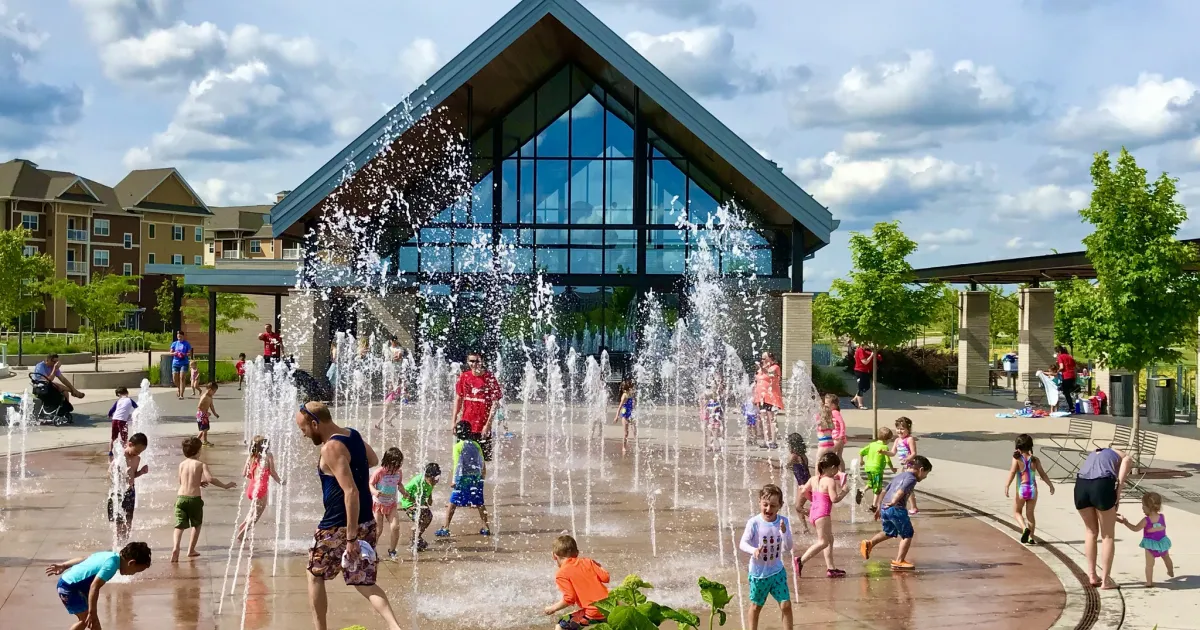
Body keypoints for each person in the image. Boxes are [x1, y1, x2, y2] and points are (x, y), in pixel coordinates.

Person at [294, 401, 403, 630]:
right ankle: (395, 627)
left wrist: (351, 538)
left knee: (314, 574)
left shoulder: (330, 448)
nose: (303, 435)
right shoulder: (352, 434)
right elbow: (372, 460)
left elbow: (350, 491)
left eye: (304, 429)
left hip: (337, 526)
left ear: (315, 423)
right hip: (367, 521)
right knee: (363, 582)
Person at [46, 541, 152, 630]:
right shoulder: (111, 566)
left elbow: (84, 559)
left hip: (68, 583)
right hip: (70, 588)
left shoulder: (110, 555)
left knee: (88, 621)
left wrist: (64, 565)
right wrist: (92, 612)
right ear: (131, 563)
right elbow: (94, 586)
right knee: (89, 620)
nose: (133, 574)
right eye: (137, 571)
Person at [860, 455, 933, 570]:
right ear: (921, 469)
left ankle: (869, 543)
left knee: (889, 532)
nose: (924, 477)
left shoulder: (899, 476)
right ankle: (899, 561)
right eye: (926, 474)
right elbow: (901, 490)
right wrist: (894, 501)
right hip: (896, 508)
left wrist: (879, 506)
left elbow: (884, 490)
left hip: (885, 508)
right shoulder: (911, 478)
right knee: (908, 534)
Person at [1074, 447, 1132, 590]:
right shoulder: (1123, 456)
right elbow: (1127, 462)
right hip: (1102, 485)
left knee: (1090, 532)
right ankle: (1106, 581)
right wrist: (1118, 494)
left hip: (1081, 486)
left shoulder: (1094, 453)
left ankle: (1092, 575)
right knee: (1107, 535)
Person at [173, 436, 236, 562]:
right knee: (196, 525)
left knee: (179, 525)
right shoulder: (201, 464)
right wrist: (225, 486)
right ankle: (191, 550)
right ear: (198, 451)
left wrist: (197, 482)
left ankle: (176, 547)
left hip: (180, 498)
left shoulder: (181, 464)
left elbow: (181, 481)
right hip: (194, 499)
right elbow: (210, 479)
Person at [739, 484, 793, 630]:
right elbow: (742, 543)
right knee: (756, 606)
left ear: (780, 506)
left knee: (786, 605)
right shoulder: (754, 523)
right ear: (759, 502)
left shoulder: (784, 522)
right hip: (759, 574)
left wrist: (784, 532)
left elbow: (788, 547)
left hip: (777, 571)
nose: (768, 509)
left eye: (773, 505)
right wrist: (753, 550)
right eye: (765, 505)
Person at [795, 452, 850, 577]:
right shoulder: (829, 481)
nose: (837, 471)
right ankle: (800, 560)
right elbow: (834, 499)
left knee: (830, 539)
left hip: (814, 512)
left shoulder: (814, 479)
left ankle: (831, 568)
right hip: (822, 514)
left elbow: (803, 491)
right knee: (823, 542)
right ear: (832, 468)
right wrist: (844, 492)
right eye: (837, 468)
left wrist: (814, 500)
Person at [435, 421, 492, 537]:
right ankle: (486, 527)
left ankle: (445, 528)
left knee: (452, 503)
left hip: (463, 479)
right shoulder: (476, 445)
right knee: (479, 503)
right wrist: (482, 477)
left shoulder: (457, 447)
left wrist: (455, 481)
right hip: (476, 477)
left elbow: (458, 465)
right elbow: (482, 461)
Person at [544, 534, 611, 630]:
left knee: (560, 625)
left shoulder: (561, 574)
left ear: (554, 555)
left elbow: (569, 599)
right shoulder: (588, 561)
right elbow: (606, 578)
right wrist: (598, 566)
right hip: (610, 606)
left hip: (594, 612)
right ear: (577, 553)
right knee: (572, 616)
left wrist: (552, 608)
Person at [1004, 434, 1055, 545]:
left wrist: (1007, 485)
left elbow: (1012, 472)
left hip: (1021, 489)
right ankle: (1031, 537)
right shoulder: (1035, 460)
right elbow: (1043, 474)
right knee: (1030, 514)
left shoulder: (1016, 459)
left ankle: (1024, 528)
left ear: (1018, 446)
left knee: (1017, 512)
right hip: (1033, 490)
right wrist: (1050, 485)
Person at [452, 351, 502, 461]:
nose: (474, 364)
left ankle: (481, 479)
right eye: (472, 361)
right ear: (467, 362)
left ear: (482, 362)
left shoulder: (489, 378)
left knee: (482, 461)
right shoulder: (465, 377)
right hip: (466, 427)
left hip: (482, 426)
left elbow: (495, 403)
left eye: (477, 361)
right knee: (461, 459)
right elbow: (458, 399)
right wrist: (454, 421)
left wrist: (488, 425)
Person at [1116, 492, 1173, 587]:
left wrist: (1125, 522)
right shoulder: (1162, 517)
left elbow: (1135, 529)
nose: (1142, 508)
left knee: (1149, 565)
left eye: (1143, 506)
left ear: (1148, 507)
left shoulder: (1146, 520)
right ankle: (1170, 570)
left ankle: (1149, 582)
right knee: (1166, 558)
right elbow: (1161, 527)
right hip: (1162, 543)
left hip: (1150, 545)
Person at [236, 435, 285, 543]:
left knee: (253, 510)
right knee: (257, 515)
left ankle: (243, 525)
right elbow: (272, 472)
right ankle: (242, 534)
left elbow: (245, 474)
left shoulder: (251, 456)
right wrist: (281, 482)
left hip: (251, 488)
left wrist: (254, 475)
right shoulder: (268, 456)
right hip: (261, 488)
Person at [370, 447, 415, 560]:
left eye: (398, 466)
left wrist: (404, 493)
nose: (395, 468)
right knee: (378, 529)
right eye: (393, 465)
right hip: (378, 504)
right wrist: (375, 491)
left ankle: (392, 550)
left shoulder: (398, 473)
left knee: (395, 527)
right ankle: (371, 549)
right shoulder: (379, 472)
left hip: (391, 504)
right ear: (387, 462)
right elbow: (370, 484)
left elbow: (399, 484)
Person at [108, 432, 149, 543]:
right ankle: (117, 542)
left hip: (130, 492)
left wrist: (141, 472)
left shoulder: (137, 459)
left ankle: (125, 542)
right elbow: (110, 474)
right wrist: (122, 473)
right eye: (136, 451)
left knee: (129, 520)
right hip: (118, 492)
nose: (137, 454)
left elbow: (133, 476)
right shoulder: (120, 458)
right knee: (118, 521)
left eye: (140, 452)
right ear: (130, 444)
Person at [398, 462, 440, 552]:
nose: (437, 481)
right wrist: (413, 501)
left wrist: (430, 498)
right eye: (435, 478)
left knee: (429, 517)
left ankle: (417, 537)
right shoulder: (417, 481)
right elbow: (404, 490)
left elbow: (430, 488)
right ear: (428, 476)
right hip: (409, 504)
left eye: (438, 478)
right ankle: (414, 539)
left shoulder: (431, 482)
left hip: (420, 503)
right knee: (420, 518)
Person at [857, 427, 896, 510]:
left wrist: (861, 461)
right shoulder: (884, 447)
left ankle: (862, 490)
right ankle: (874, 506)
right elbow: (888, 459)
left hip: (868, 468)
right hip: (877, 469)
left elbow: (861, 452)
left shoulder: (872, 444)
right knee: (878, 488)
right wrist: (892, 468)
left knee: (871, 483)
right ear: (887, 439)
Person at [752, 352, 783, 450]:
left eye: (764, 358)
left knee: (771, 418)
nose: (762, 360)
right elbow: (757, 380)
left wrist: (762, 368)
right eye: (762, 358)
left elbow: (771, 374)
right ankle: (766, 440)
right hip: (761, 397)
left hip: (771, 396)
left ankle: (773, 441)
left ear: (770, 358)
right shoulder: (762, 369)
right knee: (764, 420)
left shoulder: (775, 367)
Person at [893, 417, 919, 514]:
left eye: (902, 429)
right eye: (898, 428)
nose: (900, 431)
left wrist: (908, 459)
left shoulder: (910, 439)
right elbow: (892, 453)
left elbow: (914, 453)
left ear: (909, 429)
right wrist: (883, 452)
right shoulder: (897, 440)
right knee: (902, 486)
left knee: (907, 487)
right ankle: (902, 504)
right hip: (903, 466)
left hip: (910, 466)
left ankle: (913, 507)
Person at [107, 386, 138, 455]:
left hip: (115, 420)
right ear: (127, 392)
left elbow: (111, 410)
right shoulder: (130, 400)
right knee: (124, 438)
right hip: (122, 421)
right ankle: (125, 452)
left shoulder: (118, 401)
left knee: (113, 437)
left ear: (119, 394)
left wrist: (109, 415)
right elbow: (137, 407)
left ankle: (110, 452)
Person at [851, 344, 878, 410]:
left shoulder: (862, 351)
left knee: (866, 386)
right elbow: (865, 362)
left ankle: (854, 399)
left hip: (864, 371)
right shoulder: (860, 351)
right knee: (861, 388)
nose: (869, 345)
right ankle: (860, 405)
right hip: (860, 371)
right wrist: (871, 355)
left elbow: (857, 356)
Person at [612, 377, 636, 451]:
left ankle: (637, 446)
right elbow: (620, 407)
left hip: (631, 414)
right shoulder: (625, 395)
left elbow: (633, 405)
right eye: (632, 386)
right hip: (625, 415)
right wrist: (616, 416)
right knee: (626, 433)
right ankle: (624, 447)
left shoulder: (632, 394)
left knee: (635, 430)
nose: (633, 387)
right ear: (629, 387)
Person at [169, 331, 193, 400]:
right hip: (175, 362)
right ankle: (179, 388)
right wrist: (175, 353)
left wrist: (184, 354)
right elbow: (170, 352)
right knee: (174, 378)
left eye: (180, 336)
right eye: (178, 336)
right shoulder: (174, 343)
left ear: (183, 336)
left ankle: (181, 395)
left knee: (182, 378)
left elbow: (189, 353)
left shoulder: (186, 344)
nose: (179, 337)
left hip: (184, 362)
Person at [825, 394, 847, 468]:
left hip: (837, 437)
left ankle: (833, 471)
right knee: (839, 456)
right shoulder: (833, 412)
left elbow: (842, 423)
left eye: (827, 403)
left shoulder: (835, 412)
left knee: (831, 454)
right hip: (839, 437)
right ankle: (842, 473)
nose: (825, 405)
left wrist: (841, 434)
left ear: (833, 405)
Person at [1056, 345, 1079, 412]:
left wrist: (1057, 371)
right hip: (1072, 376)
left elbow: (1062, 367)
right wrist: (1075, 379)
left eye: (1057, 352)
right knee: (1069, 391)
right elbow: (1076, 368)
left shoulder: (1060, 357)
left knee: (1066, 392)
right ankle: (1072, 405)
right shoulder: (1070, 357)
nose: (1057, 354)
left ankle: (1071, 407)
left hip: (1066, 376)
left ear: (1059, 351)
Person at [196, 382, 219, 447]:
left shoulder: (210, 396)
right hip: (201, 414)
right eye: (214, 391)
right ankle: (205, 441)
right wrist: (205, 413)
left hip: (204, 415)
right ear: (210, 390)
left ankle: (196, 440)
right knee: (204, 429)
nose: (214, 393)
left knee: (203, 429)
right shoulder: (204, 397)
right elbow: (199, 406)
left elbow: (211, 406)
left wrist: (215, 414)